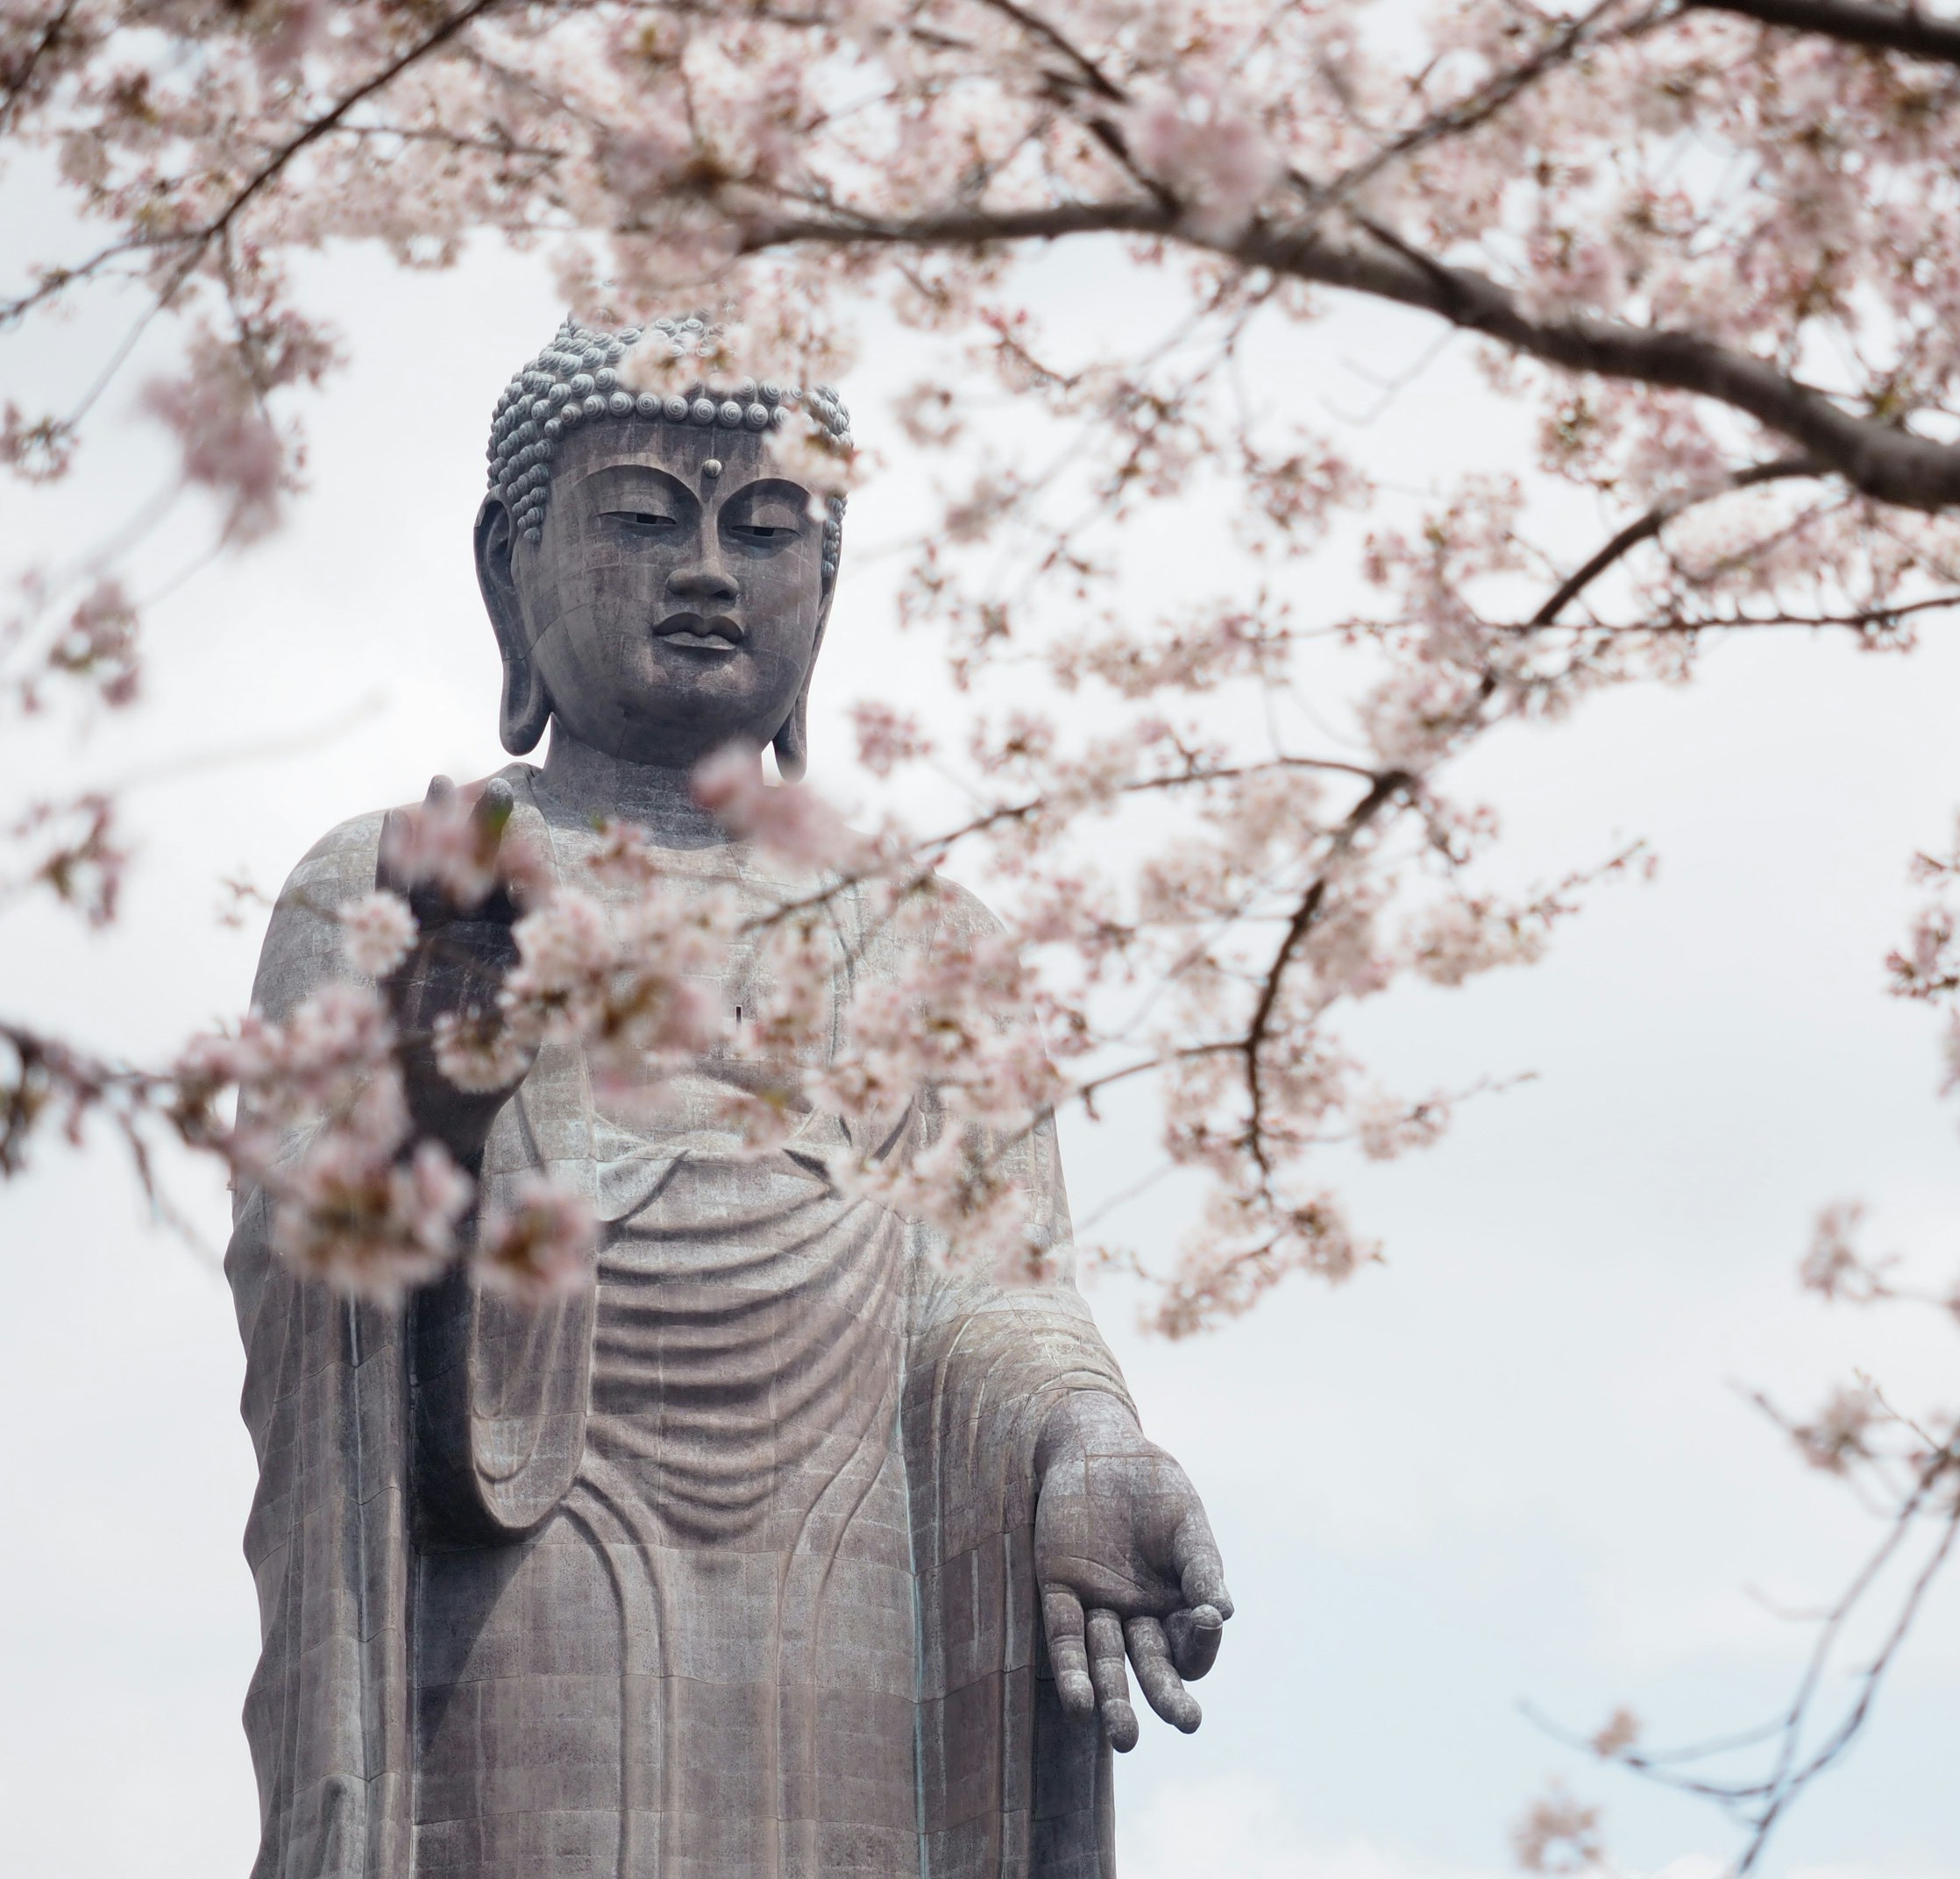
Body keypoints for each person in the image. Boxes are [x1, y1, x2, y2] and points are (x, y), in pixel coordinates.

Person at [229, 317, 1228, 1879]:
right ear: (512, 567)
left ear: (826, 587)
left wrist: (1085, 1441)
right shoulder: (393, 885)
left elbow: (1000, 1292)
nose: (707, 570)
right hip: (531, 1557)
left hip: (856, 1577)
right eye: (641, 516)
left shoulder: (931, 943)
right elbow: (313, 1263)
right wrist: (436, 1111)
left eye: (766, 530)